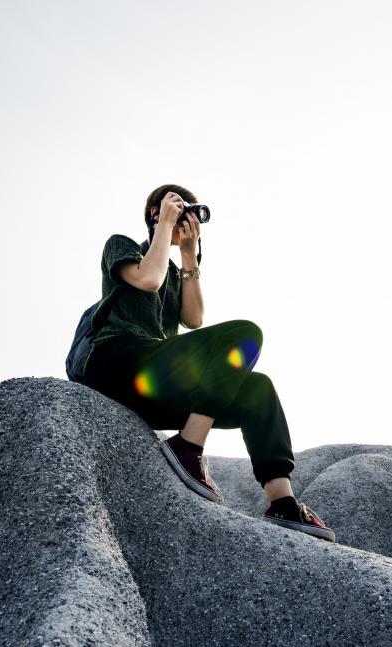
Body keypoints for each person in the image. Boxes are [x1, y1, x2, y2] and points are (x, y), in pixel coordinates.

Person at [82, 184, 335, 543]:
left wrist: (189, 254)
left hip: (154, 382)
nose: (185, 214)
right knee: (246, 334)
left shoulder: (174, 269)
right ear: (155, 211)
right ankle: (188, 447)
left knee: (257, 387)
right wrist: (165, 226)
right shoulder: (121, 245)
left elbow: (194, 318)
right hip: (117, 362)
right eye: (178, 206)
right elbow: (148, 279)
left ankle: (282, 500)